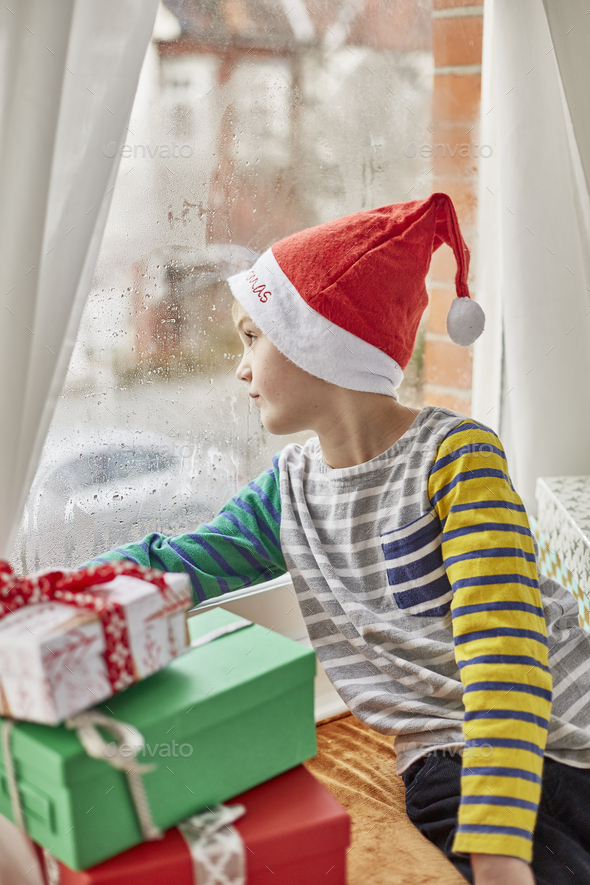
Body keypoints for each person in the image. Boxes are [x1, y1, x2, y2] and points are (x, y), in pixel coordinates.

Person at [91, 193, 590, 885]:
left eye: (251, 337)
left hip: (561, 724)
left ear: (316, 342)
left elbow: (504, 645)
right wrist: (43, 595)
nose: (240, 367)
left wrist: (500, 843)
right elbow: (177, 567)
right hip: (444, 753)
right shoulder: (288, 492)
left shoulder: (455, 457)